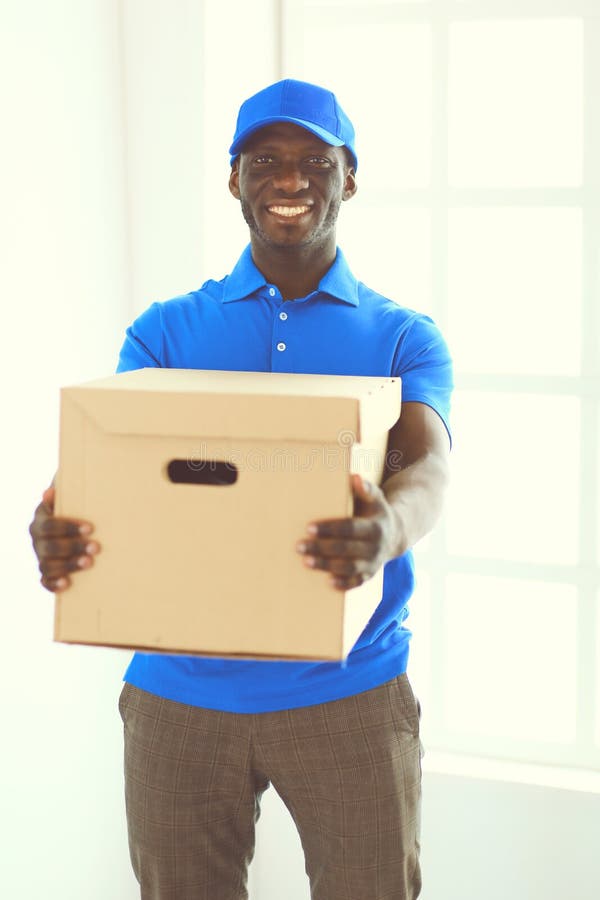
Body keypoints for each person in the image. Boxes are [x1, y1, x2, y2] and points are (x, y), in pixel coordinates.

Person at [30, 79, 452, 900]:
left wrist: (389, 530)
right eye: (265, 161)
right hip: (177, 693)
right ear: (234, 180)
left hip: (350, 690)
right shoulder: (164, 331)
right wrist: (63, 520)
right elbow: (117, 461)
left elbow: (427, 466)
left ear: (350, 178)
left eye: (315, 162)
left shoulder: (402, 336)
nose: (289, 179)